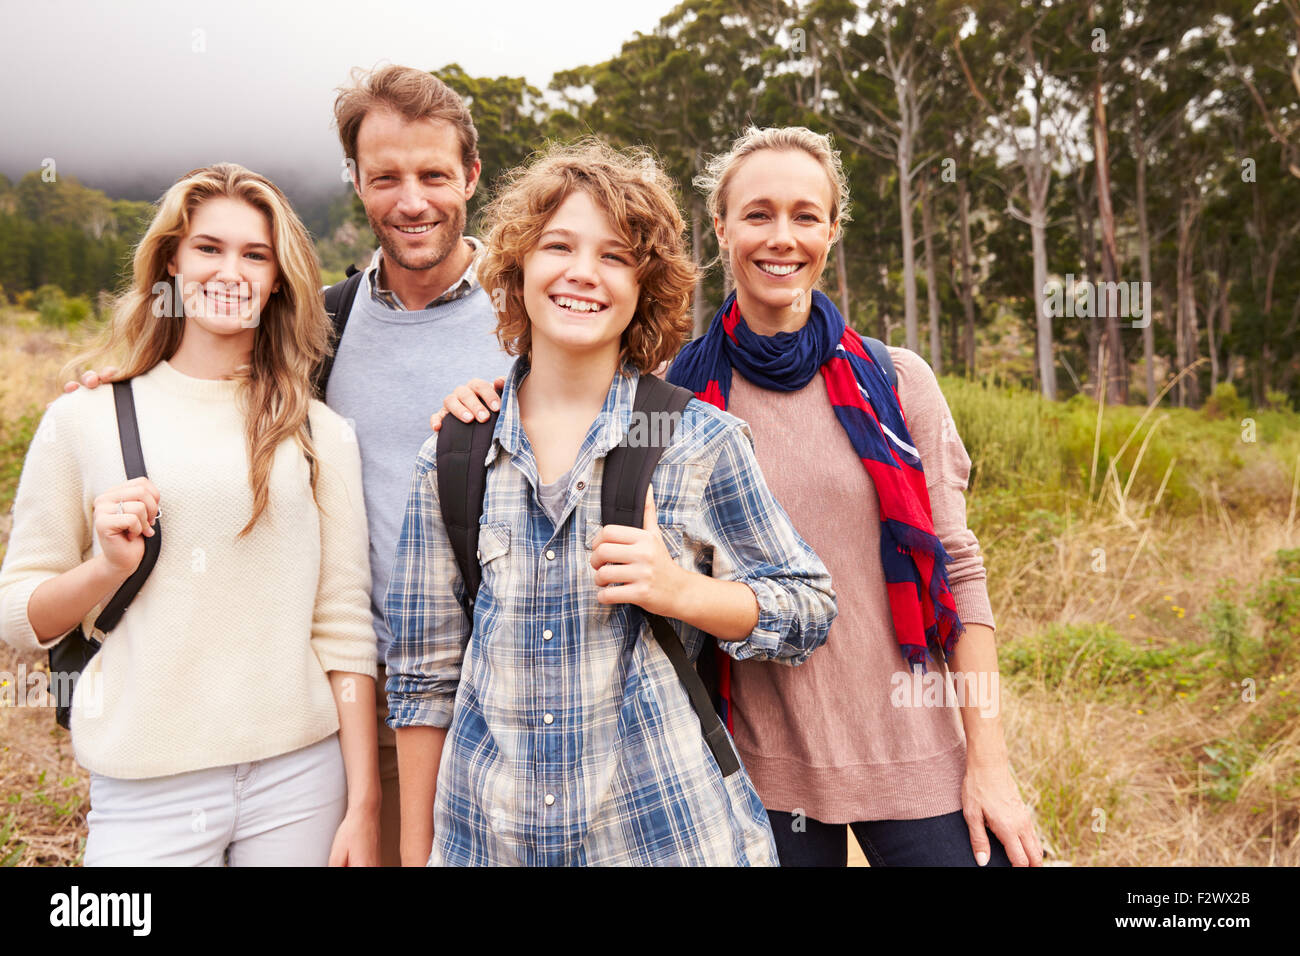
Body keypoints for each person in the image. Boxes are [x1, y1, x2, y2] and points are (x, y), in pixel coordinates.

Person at [437, 126, 1043, 867]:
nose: (780, 238)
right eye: (757, 214)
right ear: (721, 229)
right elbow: (573, 399)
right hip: (759, 769)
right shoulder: (674, 400)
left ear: (831, 230)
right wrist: (496, 400)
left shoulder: (897, 382)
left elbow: (958, 572)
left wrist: (991, 762)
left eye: (804, 215)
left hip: (915, 754)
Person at [64, 65, 515, 866]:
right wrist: (117, 388)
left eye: (434, 175)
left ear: (472, 176)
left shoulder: (532, 319)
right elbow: (218, 382)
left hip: (507, 704)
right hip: (352, 711)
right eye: (385, 177)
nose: (412, 201)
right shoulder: (324, 331)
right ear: (356, 183)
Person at [385, 139, 837, 866]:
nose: (582, 274)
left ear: (644, 286)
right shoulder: (452, 454)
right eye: (557, 245)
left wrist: (682, 591)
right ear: (518, 267)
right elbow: (422, 679)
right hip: (487, 840)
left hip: (659, 835)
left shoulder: (697, 439)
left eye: (616, 256)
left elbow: (808, 608)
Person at [4, 163, 380, 866]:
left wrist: (363, 805)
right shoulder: (82, 418)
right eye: (209, 248)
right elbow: (20, 619)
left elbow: (344, 630)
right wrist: (104, 568)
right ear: (171, 261)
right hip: (148, 788)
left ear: (278, 280)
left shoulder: (320, 433)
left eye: (256, 254)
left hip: (301, 779)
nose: (230, 271)